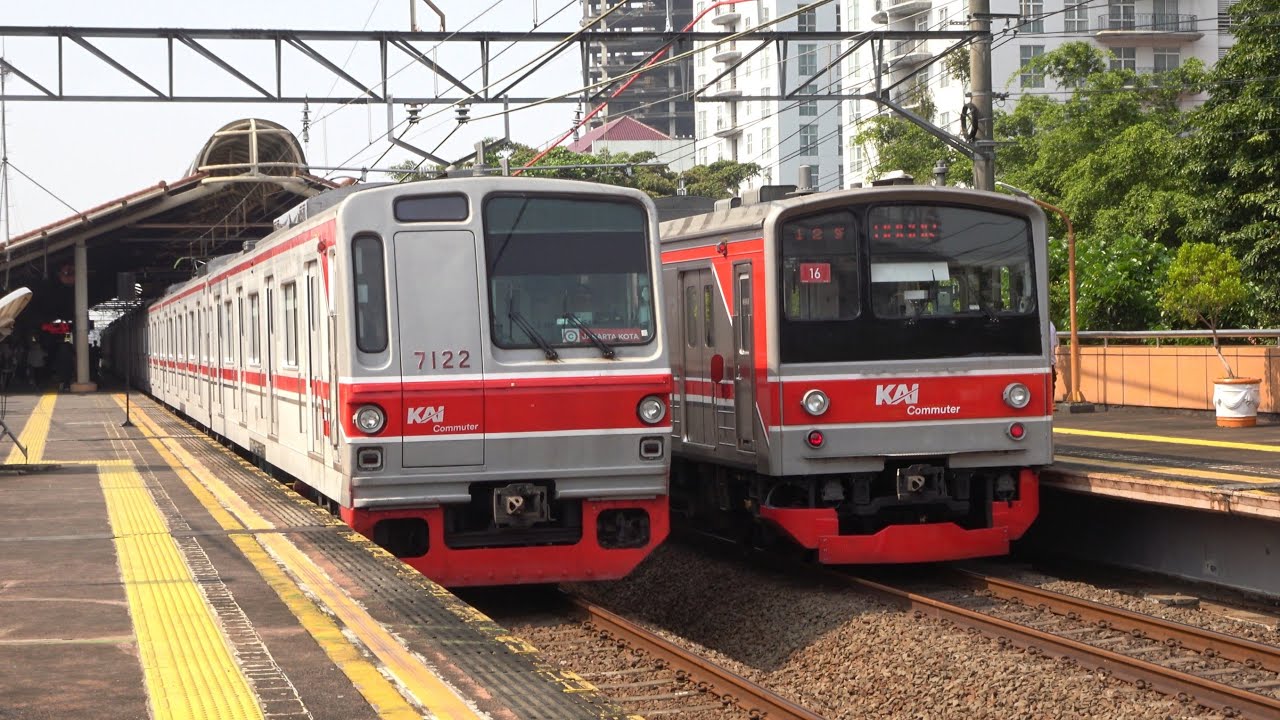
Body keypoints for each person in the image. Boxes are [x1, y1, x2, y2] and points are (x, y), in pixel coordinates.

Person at [1049, 320, 1059, 403]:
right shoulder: (1051, 325)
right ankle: (1050, 404)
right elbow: (1055, 344)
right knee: (1051, 384)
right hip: (1050, 361)